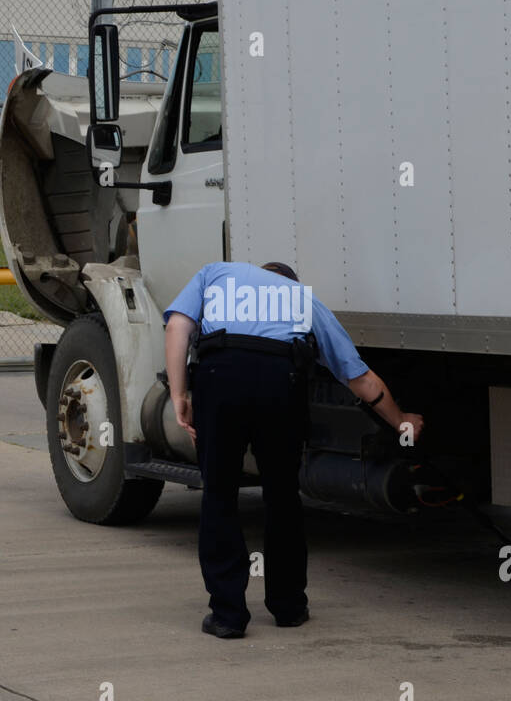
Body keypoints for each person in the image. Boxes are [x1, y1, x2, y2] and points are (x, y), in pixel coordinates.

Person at [163, 260, 424, 639]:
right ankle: (288, 607)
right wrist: (402, 421)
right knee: (282, 496)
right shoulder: (302, 298)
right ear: (290, 281)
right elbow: (359, 377)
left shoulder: (215, 273)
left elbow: (177, 327)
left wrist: (178, 394)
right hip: (278, 384)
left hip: (220, 378)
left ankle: (227, 616)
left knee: (219, 495)